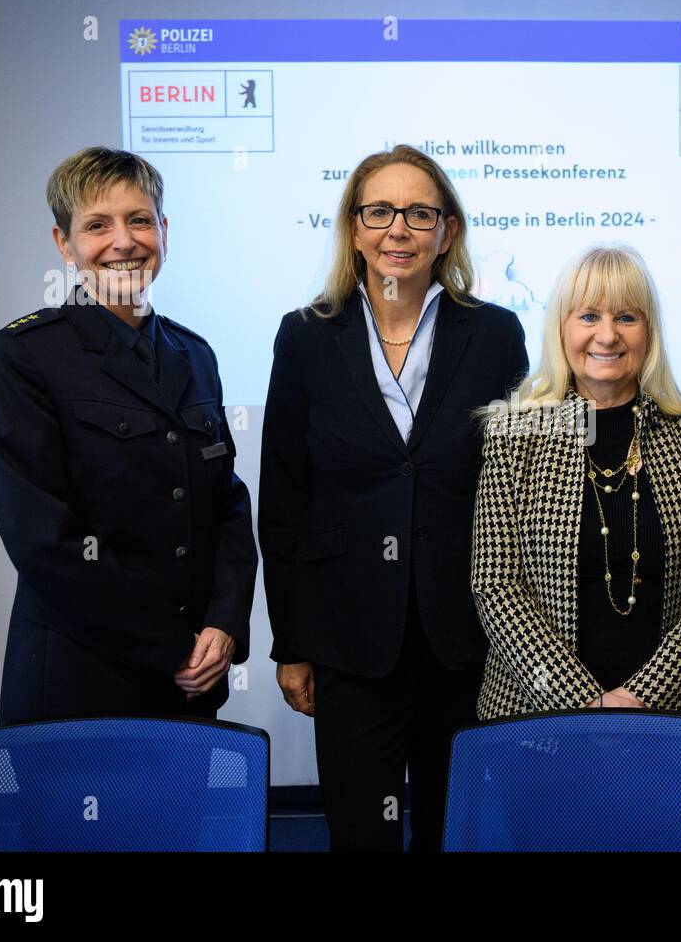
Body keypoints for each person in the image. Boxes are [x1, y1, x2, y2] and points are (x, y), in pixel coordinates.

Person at [260, 144, 529, 852]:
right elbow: (284, 497)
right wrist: (291, 643)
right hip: (349, 639)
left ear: (447, 231)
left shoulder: (496, 334)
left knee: (456, 829)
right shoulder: (307, 335)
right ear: (354, 228)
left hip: (464, 636)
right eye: (379, 211)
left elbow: (523, 489)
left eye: (419, 213)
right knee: (361, 835)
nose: (398, 229)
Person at [0, 146, 257, 724]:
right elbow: (44, 540)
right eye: (97, 225)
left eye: (139, 220)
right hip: (81, 679)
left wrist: (226, 622)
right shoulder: (23, 357)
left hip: (192, 684)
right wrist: (170, 645)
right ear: (64, 244)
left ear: (163, 229)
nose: (124, 242)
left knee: (181, 820)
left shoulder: (194, 354)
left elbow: (226, 504)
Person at [472, 244, 681, 720]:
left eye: (626, 317)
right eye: (587, 316)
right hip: (537, 716)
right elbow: (495, 586)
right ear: (561, 327)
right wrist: (581, 701)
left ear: (649, 330)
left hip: (678, 715)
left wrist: (648, 696)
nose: (607, 335)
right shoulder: (513, 435)